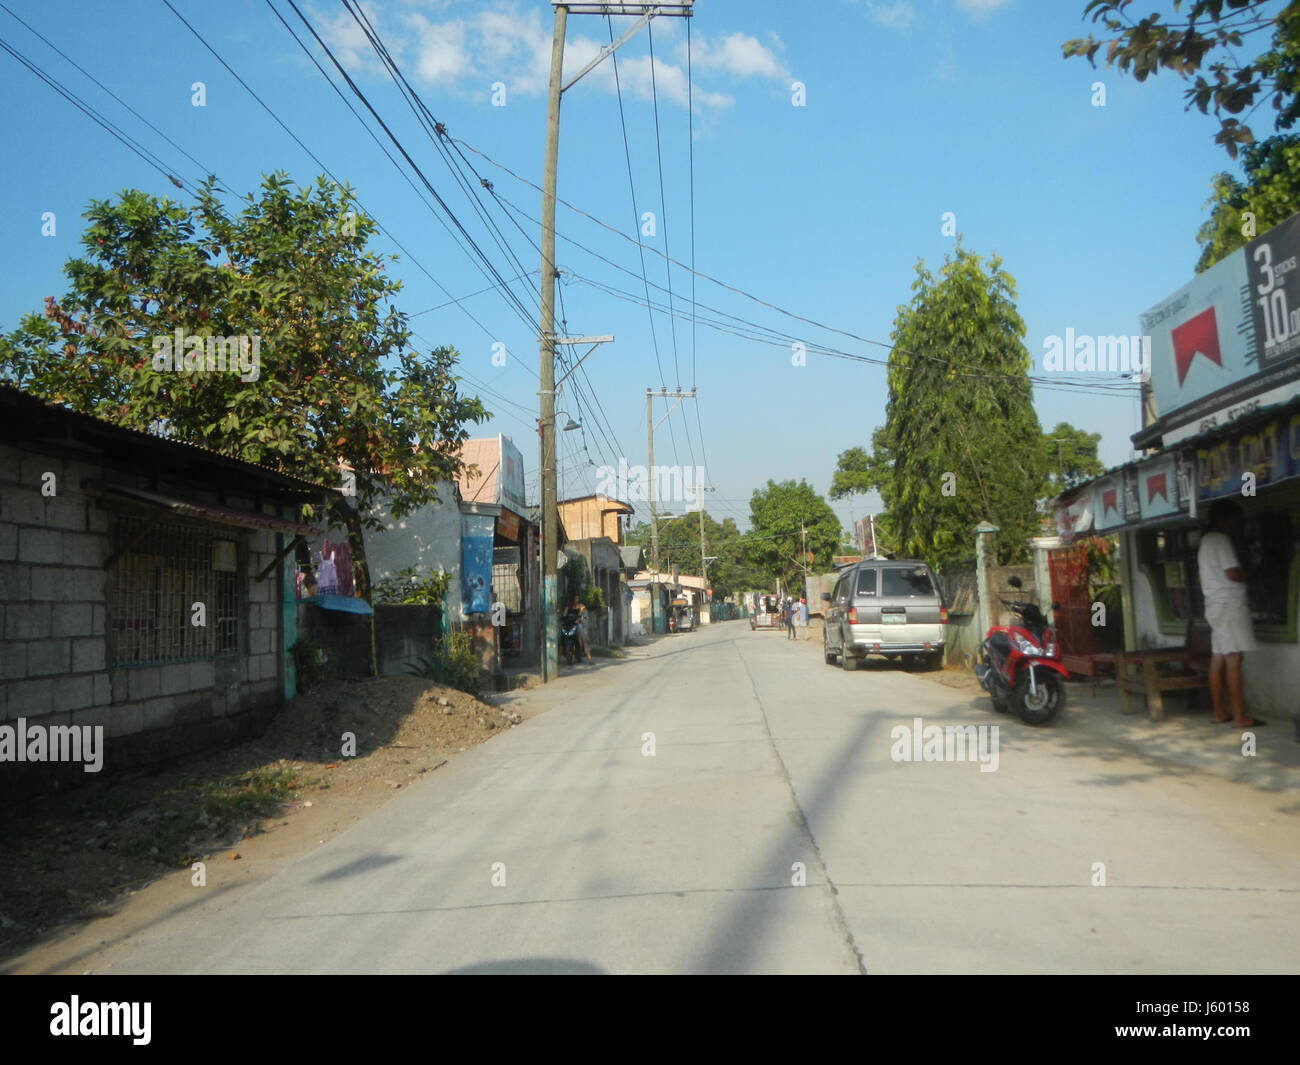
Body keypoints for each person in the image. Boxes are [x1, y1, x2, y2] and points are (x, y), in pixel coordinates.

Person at [1196, 500, 1263, 727]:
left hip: (1215, 605)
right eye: (1235, 520)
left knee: (1219, 658)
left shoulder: (1205, 541)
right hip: (1229, 604)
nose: (1238, 525)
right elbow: (1233, 573)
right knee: (1234, 658)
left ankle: (1220, 712)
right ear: (1225, 520)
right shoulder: (1221, 540)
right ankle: (1239, 716)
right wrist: (1255, 575)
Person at [568, 594, 593, 664]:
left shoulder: (581, 606)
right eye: (575, 598)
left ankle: (589, 659)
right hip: (570, 625)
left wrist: (580, 618)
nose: (576, 600)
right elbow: (566, 614)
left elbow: (582, 615)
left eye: (577, 598)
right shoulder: (570, 607)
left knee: (584, 641)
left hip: (578, 624)